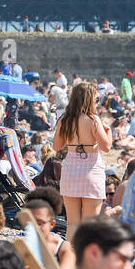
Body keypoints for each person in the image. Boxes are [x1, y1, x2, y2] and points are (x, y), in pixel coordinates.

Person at [52, 82, 112, 233]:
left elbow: (56, 146)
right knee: (89, 224)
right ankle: (84, 256)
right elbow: (106, 147)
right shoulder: (93, 120)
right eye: (96, 99)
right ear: (88, 100)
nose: (97, 103)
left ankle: (71, 255)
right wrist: (109, 131)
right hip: (91, 169)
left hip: (70, 169)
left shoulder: (65, 120)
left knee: (72, 224)